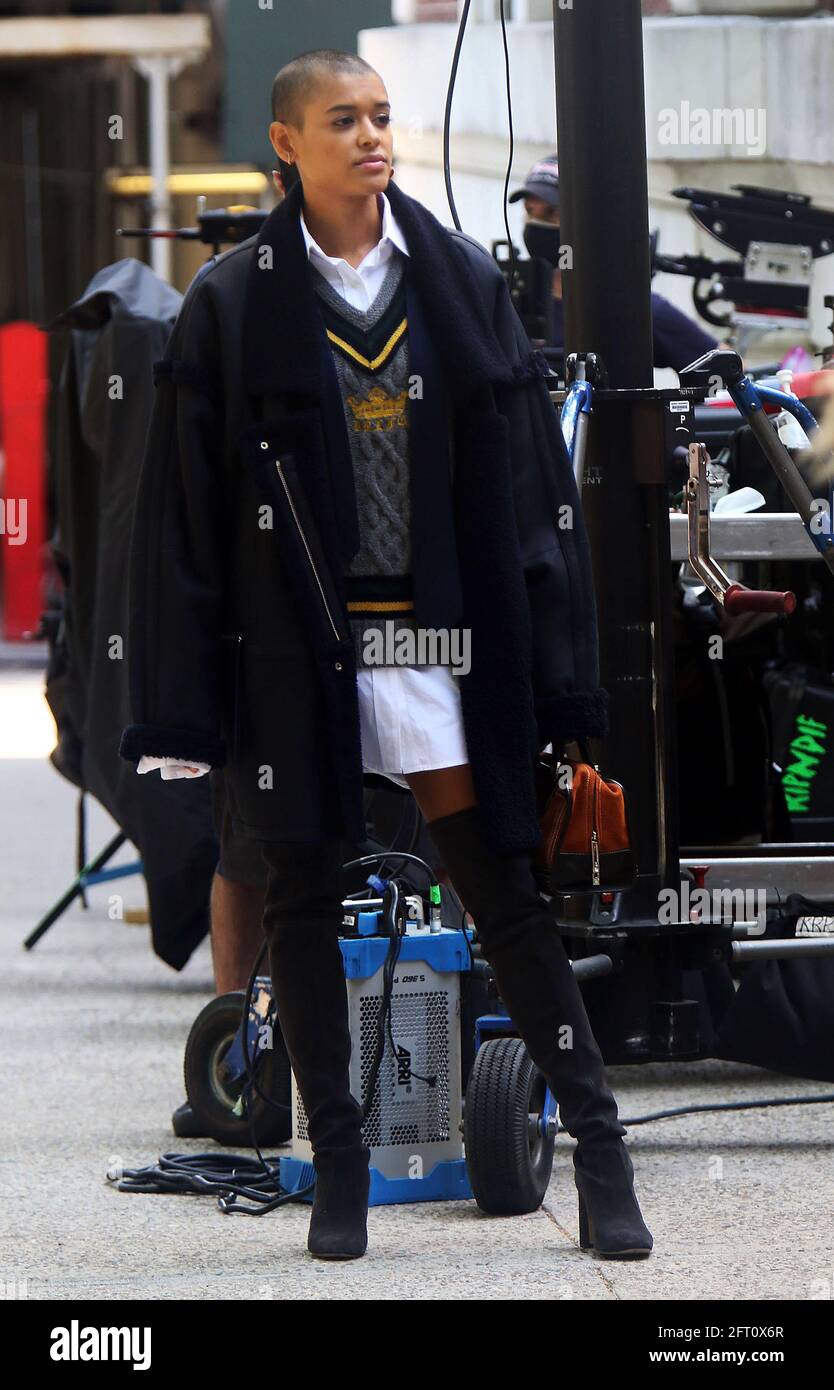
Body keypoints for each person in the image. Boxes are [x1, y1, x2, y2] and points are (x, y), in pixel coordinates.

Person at [119, 49, 653, 1262]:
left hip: (439, 639)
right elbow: (187, 522)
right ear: (285, 146)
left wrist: (560, 679)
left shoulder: (459, 281)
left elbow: (532, 503)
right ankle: (342, 1165)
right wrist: (185, 711)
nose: (372, 138)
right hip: (305, 647)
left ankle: (603, 1147)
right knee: (301, 897)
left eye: (381, 117)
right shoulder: (231, 301)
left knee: (505, 893)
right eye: (343, 121)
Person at [510, 154, 719, 374]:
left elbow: (727, 370)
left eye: (552, 212)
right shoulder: (515, 304)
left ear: (588, 219)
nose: (535, 224)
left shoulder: (633, 309)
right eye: (530, 212)